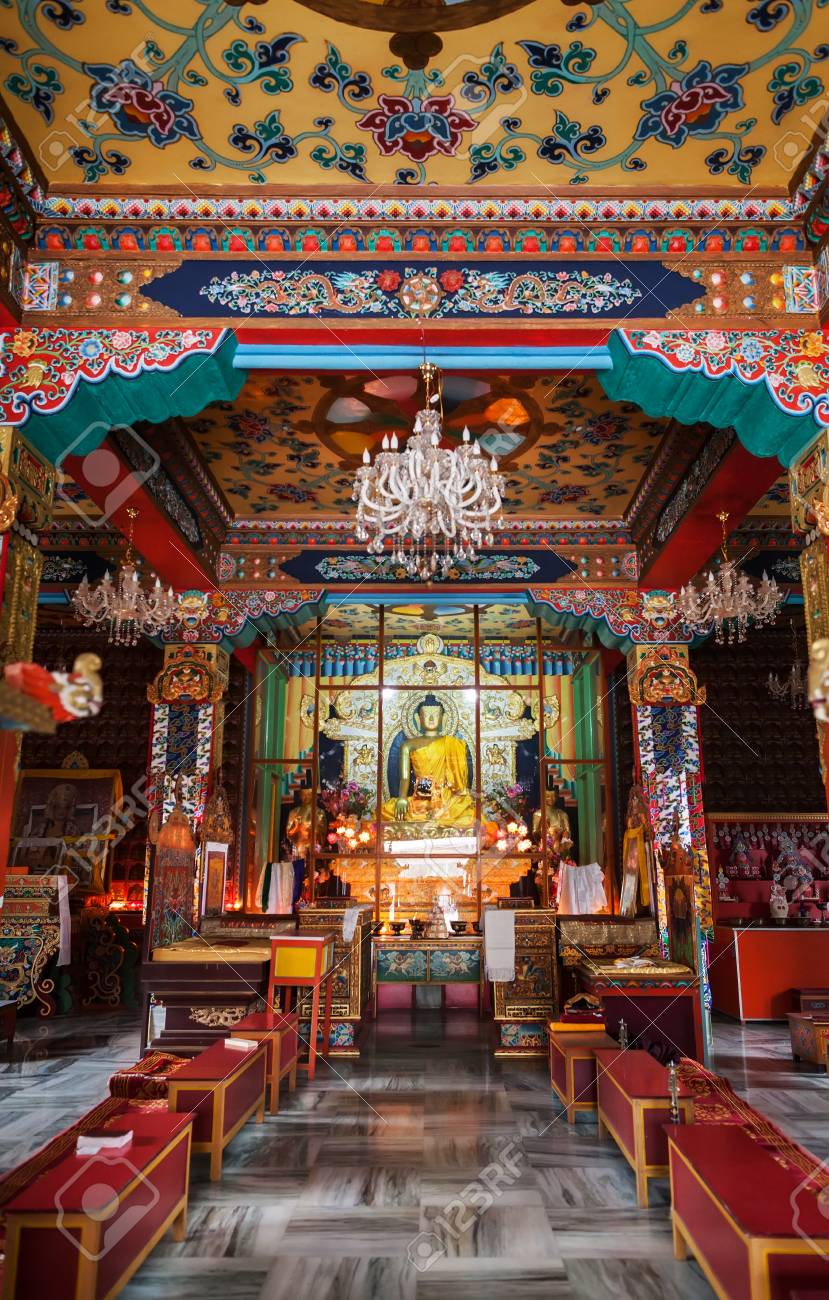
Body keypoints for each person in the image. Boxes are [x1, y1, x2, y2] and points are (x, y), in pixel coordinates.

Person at [382, 696, 475, 830]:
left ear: (443, 718)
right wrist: (402, 798)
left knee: (468, 813)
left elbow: (457, 777)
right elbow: (404, 778)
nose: (431, 718)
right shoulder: (408, 745)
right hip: (423, 790)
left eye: (435, 714)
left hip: (446, 794)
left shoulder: (452, 743)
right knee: (386, 811)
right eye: (426, 715)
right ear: (418, 719)